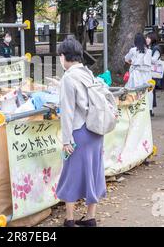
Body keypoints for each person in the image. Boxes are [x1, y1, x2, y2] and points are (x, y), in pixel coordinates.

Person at [55, 37, 106, 227]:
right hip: (95, 130)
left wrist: (66, 140)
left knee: (71, 173)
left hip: (79, 132)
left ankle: (69, 220)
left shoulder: (68, 77)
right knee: (94, 172)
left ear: (64, 56)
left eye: (60, 56)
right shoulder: (88, 73)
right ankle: (90, 218)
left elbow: (67, 113)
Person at [146, 33, 162, 117]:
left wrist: (146, 55)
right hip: (150, 72)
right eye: (146, 38)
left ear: (152, 38)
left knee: (150, 91)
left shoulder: (156, 48)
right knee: (151, 91)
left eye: (148, 38)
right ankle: (150, 109)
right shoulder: (150, 48)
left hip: (153, 72)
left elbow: (154, 60)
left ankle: (150, 110)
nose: (146, 39)